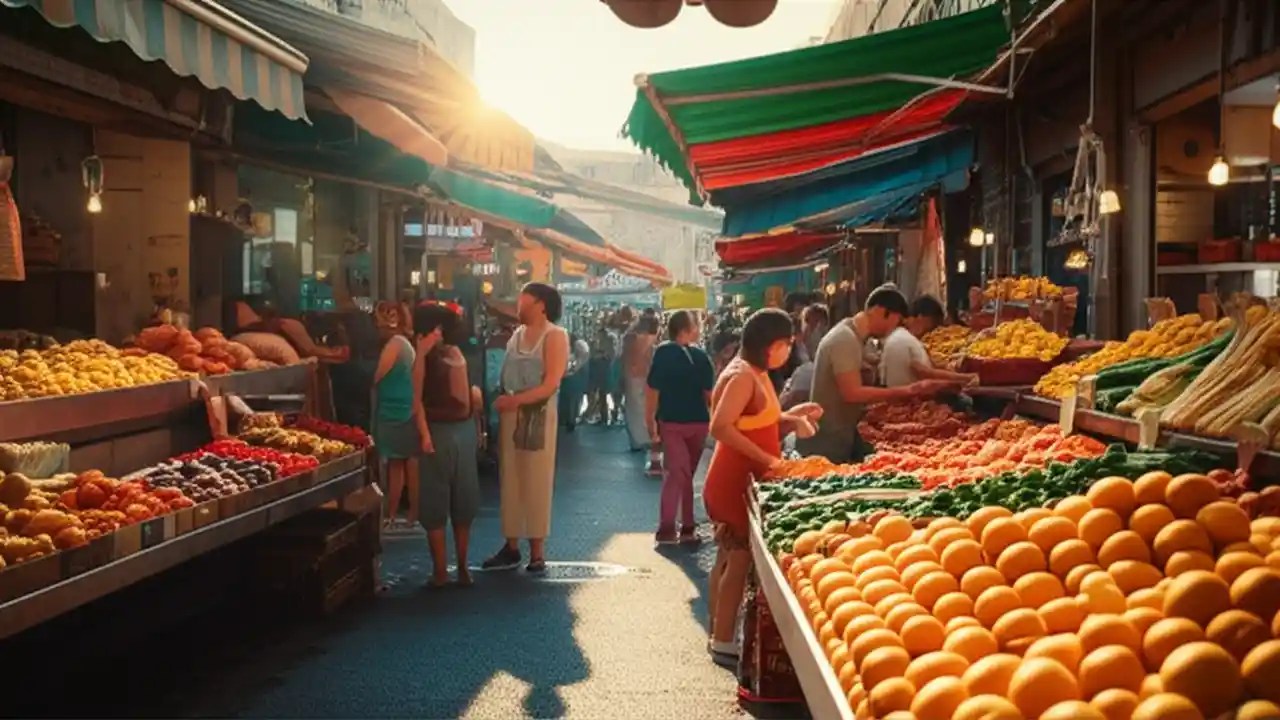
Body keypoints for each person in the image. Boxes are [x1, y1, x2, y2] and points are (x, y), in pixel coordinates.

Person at [703, 309, 823, 666]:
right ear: (770, 344)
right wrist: (768, 460)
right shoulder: (742, 376)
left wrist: (793, 417)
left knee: (729, 559)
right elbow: (721, 427)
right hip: (733, 480)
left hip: (744, 476)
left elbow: (757, 422)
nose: (788, 350)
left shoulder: (756, 373)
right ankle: (723, 639)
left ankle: (718, 630)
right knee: (736, 561)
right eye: (785, 344)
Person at [797, 285, 950, 464]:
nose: (895, 328)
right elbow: (852, 393)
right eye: (897, 320)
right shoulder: (845, 339)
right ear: (880, 311)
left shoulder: (853, 335)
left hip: (839, 432)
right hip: (828, 440)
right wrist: (909, 390)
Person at [485, 282, 570, 573]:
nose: (519, 306)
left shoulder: (555, 336)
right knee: (510, 479)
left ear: (541, 305)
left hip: (538, 415)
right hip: (511, 413)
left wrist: (517, 401)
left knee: (536, 478)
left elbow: (551, 383)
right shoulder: (517, 336)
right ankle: (511, 545)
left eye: (524, 301)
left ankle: (537, 550)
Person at [413, 304, 481, 587]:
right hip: (441, 430)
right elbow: (416, 398)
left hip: (458, 429)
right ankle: (445, 570)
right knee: (438, 500)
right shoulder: (427, 354)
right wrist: (425, 434)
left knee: (461, 499)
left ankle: (456, 568)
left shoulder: (451, 351)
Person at [646, 310, 715, 545]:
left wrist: (651, 421)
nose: (698, 329)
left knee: (681, 473)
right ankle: (677, 526)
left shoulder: (668, 354)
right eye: (695, 325)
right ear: (687, 329)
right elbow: (709, 394)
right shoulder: (694, 356)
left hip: (679, 421)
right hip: (691, 422)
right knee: (682, 473)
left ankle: (679, 526)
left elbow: (652, 390)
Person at [372, 302, 420, 530]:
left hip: (395, 410)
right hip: (402, 407)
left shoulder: (395, 344)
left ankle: (394, 514)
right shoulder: (404, 344)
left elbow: (377, 375)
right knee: (402, 462)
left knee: (397, 463)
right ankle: (403, 513)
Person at [881, 295, 979, 389]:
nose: (935, 329)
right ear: (921, 318)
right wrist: (965, 378)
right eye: (934, 323)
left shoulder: (908, 338)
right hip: (912, 400)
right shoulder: (902, 340)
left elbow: (931, 367)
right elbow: (925, 372)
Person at [623, 314, 659, 453]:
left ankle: (637, 439)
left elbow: (626, 357)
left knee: (633, 408)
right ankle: (647, 437)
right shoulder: (652, 339)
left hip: (633, 375)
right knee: (646, 407)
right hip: (647, 374)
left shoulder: (631, 337)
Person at [559, 332, 591, 432]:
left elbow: (578, 363)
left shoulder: (579, 346)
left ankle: (570, 420)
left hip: (575, 378)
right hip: (576, 377)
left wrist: (569, 372)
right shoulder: (580, 346)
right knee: (573, 399)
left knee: (572, 399)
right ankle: (569, 419)